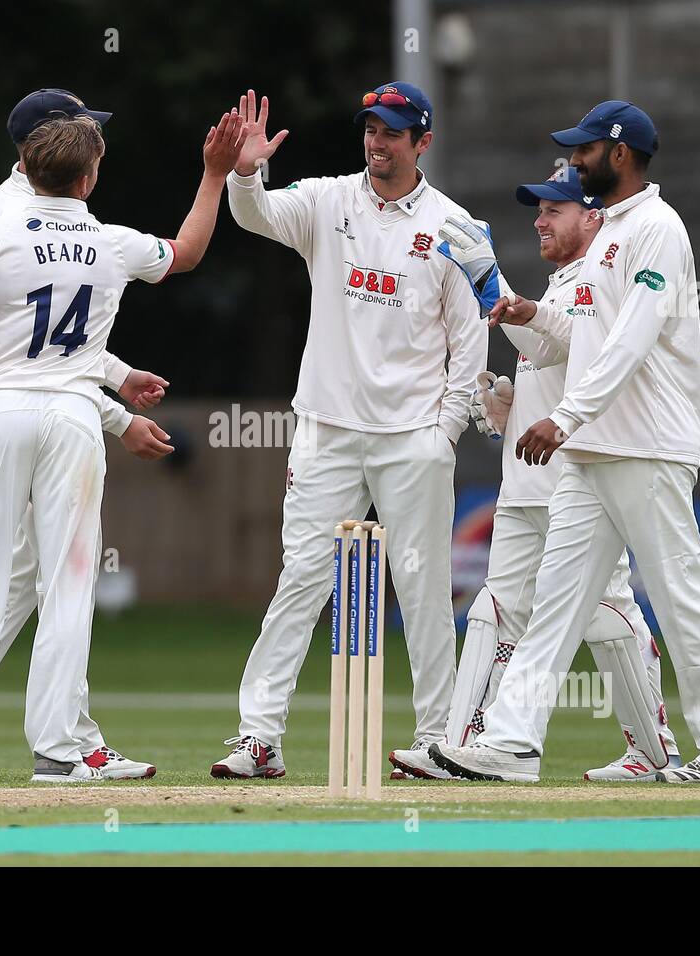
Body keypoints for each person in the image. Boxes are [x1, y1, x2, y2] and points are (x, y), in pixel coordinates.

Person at [429, 101, 700, 784]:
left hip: (646, 444)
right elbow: (583, 332)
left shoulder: (658, 230)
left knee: (680, 596)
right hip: (592, 453)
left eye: (584, 151)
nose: (575, 160)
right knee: (554, 606)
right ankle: (511, 742)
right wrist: (531, 313)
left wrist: (565, 418)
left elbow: (633, 339)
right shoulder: (611, 233)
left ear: (619, 155)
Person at [0, 106, 245, 782]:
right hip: (73, 419)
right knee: (67, 586)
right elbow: (188, 252)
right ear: (90, 177)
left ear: (27, 169)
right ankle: (60, 750)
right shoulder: (112, 242)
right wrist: (213, 174)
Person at [210, 85, 490, 779]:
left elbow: (474, 334)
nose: (377, 142)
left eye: (392, 132)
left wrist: (445, 432)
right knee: (301, 577)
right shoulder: (328, 199)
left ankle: (435, 739)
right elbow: (255, 217)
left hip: (411, 438)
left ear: (422, 141)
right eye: (370, 128)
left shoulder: (457, 228)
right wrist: (246, 172)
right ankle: (259, 737)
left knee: (422, 587)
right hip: (326, 431)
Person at [389, 166, 680, 781]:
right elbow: (545, 359)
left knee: (606, 614)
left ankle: (653, 750)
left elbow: (570, 347)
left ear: (592, 216)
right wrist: (505, 402)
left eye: (554, 209)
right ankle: (461, 740)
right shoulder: (560, 282)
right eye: (538, 209)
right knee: (497, 609)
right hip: (526, 480)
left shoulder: (601, 273)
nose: (540, 220)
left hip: (579, 475)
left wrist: (489, 282)